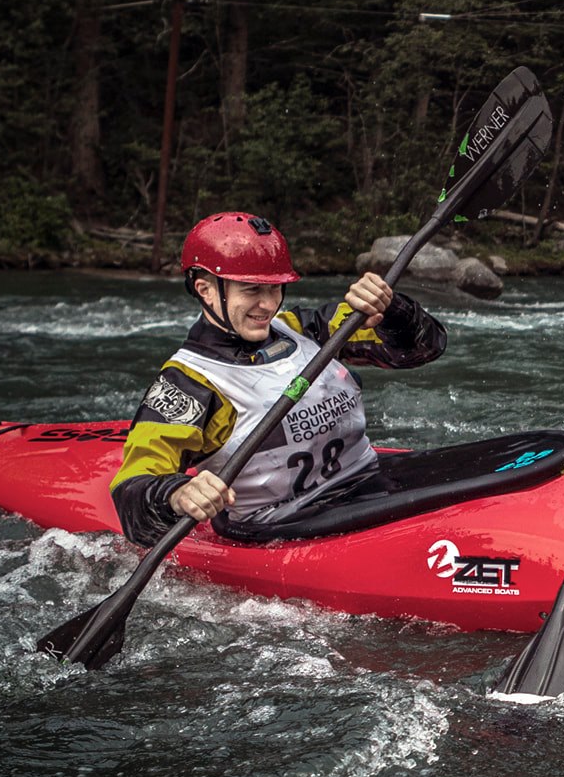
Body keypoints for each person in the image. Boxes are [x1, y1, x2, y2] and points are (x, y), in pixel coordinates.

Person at [109, 211, 447, 544]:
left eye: (276, 289)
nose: (268, 304)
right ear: (206, 290)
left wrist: (392, 310)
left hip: (366, 483)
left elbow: (422, 349)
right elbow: (133, 490)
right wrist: (178, 493)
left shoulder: (308, 329)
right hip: (282, 524)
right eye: (253, 290)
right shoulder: (189, 384)